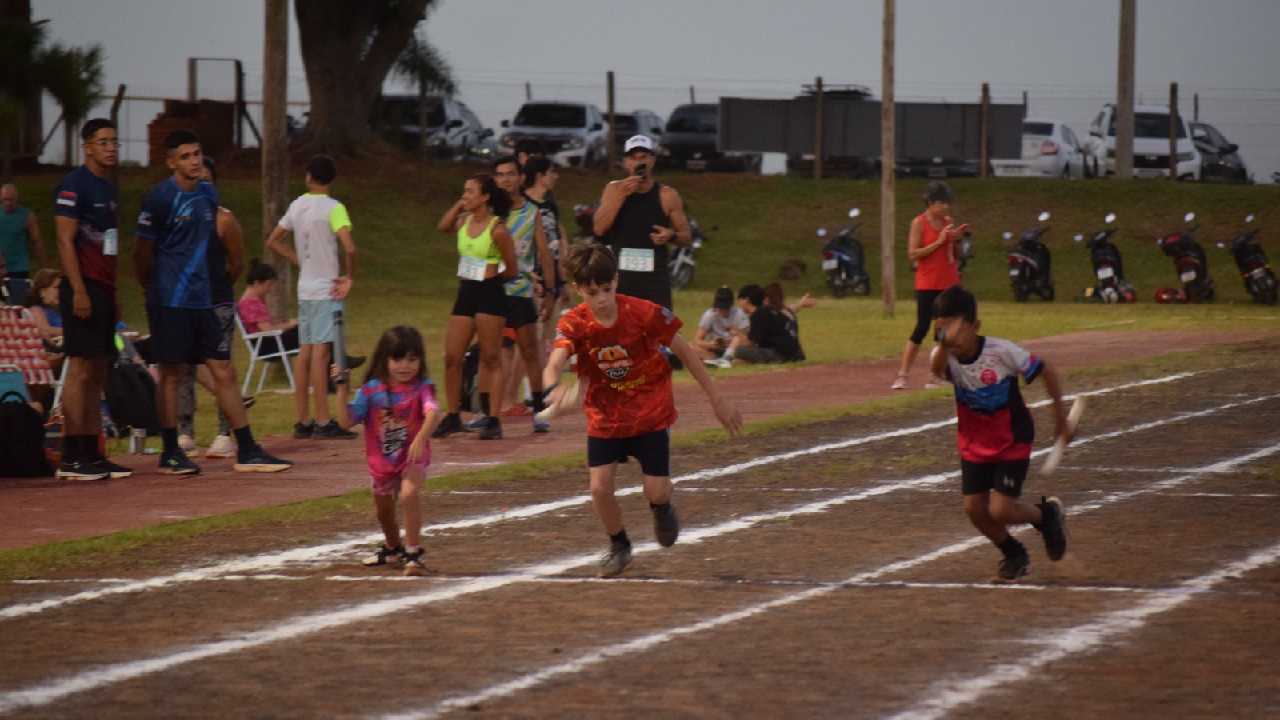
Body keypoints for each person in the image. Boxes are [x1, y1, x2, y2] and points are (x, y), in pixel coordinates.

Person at [540, 243, 743, 577]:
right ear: (578, 290)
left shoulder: (643, 312)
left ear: (617, 281)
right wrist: (554, 388)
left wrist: (716, 398)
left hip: (650, 410)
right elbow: (555, 361)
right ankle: (619, 544)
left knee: (656, 489)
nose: (602, 299)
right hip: (606, 416)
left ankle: (661, 508)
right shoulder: (574, 323)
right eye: (592, 292)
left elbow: (686, 351)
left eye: (607, 289)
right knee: (599, 488)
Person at [135, 129, 291, 475]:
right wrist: (153, 290)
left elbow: (227, 257)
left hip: (203, 300)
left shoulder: (208, 194)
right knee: (172, 374)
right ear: (171, 162)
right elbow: (142, 254)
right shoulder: (159, 198)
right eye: (186, 156)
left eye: (198, 154)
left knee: (224, 369)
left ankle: (247, 448)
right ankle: (171, 450)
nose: (195, 161)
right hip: (169, 301)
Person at [928, 285, 1070, 581]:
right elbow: (936, 367)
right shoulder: (946, 357)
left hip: (1011, 439)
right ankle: (1014, 553)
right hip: (974, 443)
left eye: (955, 325)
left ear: (975, 325)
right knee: (974, 509)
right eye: (941, 327)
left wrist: (1061, 420)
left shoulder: (1001, 351)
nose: (949, 334)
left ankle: (1046, 516)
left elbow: (1047, 371)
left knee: (1001, 510)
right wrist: (943, 341)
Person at [52, 118, 131, 481]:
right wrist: (79, 289)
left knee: (98, 371)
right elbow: (65, 240)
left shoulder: (108, 188)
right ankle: (72, 454)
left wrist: (111, 294)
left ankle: (92, 451)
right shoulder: (75, 185)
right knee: (80, 370)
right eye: (103, 142)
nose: (110, 148)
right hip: (82, 287)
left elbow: (110, 245)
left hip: (103, 288)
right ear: (87, 146)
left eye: (114, 142)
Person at [334, 325, 441, 577]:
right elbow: (346, 421)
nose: (405, 366)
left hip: (412, 458)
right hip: (381, 462)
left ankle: (413, 553)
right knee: (383, 512)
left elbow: (434, 412)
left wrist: (421, 438)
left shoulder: (423, 387)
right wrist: (341, 390)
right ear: (385, 359)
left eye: (412, 359)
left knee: (408, 494)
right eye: (398, 358)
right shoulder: (371, 390)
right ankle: (393, 548)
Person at [265, 154, 358, 440]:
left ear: (308, 177)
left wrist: (298, 261)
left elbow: (273, 240)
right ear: (331, 179)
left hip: (305, 290)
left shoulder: (297, 205)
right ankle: (322, 419)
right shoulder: (334, 208)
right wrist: (349, 278)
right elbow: (350, 247)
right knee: (321, 353)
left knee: (304, 353)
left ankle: (302, 420)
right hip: (326, 290)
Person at [431, 174, 517, 440]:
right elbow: (442, 226)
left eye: (470, 192)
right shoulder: (462, 222)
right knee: (451, 357)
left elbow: (512, 270)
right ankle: (453, 415)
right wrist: (460, 204)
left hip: (490, 293)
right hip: (465, 293)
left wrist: (490, 276)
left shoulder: (498, 229)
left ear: (485, 197)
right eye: (464, 191)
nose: (465, 195)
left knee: (491, 357)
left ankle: (492, 418)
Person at [175, 157, 244, 459]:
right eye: (196, 180)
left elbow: (237, 262)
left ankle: (223, 432)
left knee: (222, 367)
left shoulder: (224, 218)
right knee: (185, 366)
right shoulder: (178, 218)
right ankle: (185, 431)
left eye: (207, 180)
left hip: (218, 302)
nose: (202, 185)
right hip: (187, 302)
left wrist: (220, 287)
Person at [488, 156, 554, 435]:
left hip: (521, 292)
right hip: (490, 292)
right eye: (500, 175)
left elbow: (544, 253)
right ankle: (491, 414)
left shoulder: (531, 213)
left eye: (510, 174)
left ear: (520, 178)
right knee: (493, 354)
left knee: (529, 352)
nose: (505, 179)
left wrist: (550, 291)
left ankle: (539, 409)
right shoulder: (488, 211)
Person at [592, 135, 693, 312]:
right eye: (633, 158)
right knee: (623, 336)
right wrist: (622, 195)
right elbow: (599, 228)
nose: (639, 162)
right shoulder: (614, 189)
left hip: (654, 280)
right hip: (621, 280)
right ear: (625, 162)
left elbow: (686, 237)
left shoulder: (667, 195)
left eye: (643, 157)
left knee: (659, 334)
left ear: (652, 160)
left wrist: (671, 235)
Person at [892, 181, 964, 390]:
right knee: (921, 327)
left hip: (948, 282)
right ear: (931, 203)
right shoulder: (919, 223)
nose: (946, 208)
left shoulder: (948, 221)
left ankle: (935, 375)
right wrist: (939, 242)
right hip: (927, 283)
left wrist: (956, 240)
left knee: (943, 332)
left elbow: (955, 255)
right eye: (942, 203)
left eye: (948, 204)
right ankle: (902, 374)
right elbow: (913, 254)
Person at [522, 156, 571, 355]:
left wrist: (564, 281)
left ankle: (544, 385)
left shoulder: (550, 206)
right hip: (533, 280)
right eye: (552, 172)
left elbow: (557, 245)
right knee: (530, 341)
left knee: (548, 343)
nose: (556, 177)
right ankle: (529, 386)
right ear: (540, 176)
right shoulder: (522, 204)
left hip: (554, 279)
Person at [727, 284, 804, 365]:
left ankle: (727, 359)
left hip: (780, 354)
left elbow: (751, 342)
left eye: (739, 300)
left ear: (746, 300)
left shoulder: (759, 313)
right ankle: (741, 362)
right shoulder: (779, 310)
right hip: (795, 353)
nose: (739, 304)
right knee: (740, 359)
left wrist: (737, 332)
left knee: (740, 350)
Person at [1, 183, 44, 305]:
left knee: (18, 304)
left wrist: (42, 267)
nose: (8, 203)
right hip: (1, 266)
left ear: (17, 198)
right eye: (5, 199)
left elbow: (36, 241)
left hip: (19, 268)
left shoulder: (27, 215)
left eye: (11, 200)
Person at [695, 285, 748, 369]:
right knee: (690, 347)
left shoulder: (739, 314)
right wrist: (711, 344)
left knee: (737, 339)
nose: (722, 310)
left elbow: (748, 342)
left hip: (734, 349)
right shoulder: (709, 315)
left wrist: (736, 333)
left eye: (725, 308)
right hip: (715, 348)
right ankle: (717, 361)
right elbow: (697, 340)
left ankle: (725, 359)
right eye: (720, 307)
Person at [23, 268, 63, 343]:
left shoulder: (61, 309)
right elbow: (46, 331)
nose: (61, 291)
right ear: (42, 292)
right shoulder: (36, 309)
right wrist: (73, 332)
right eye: (56, 287)